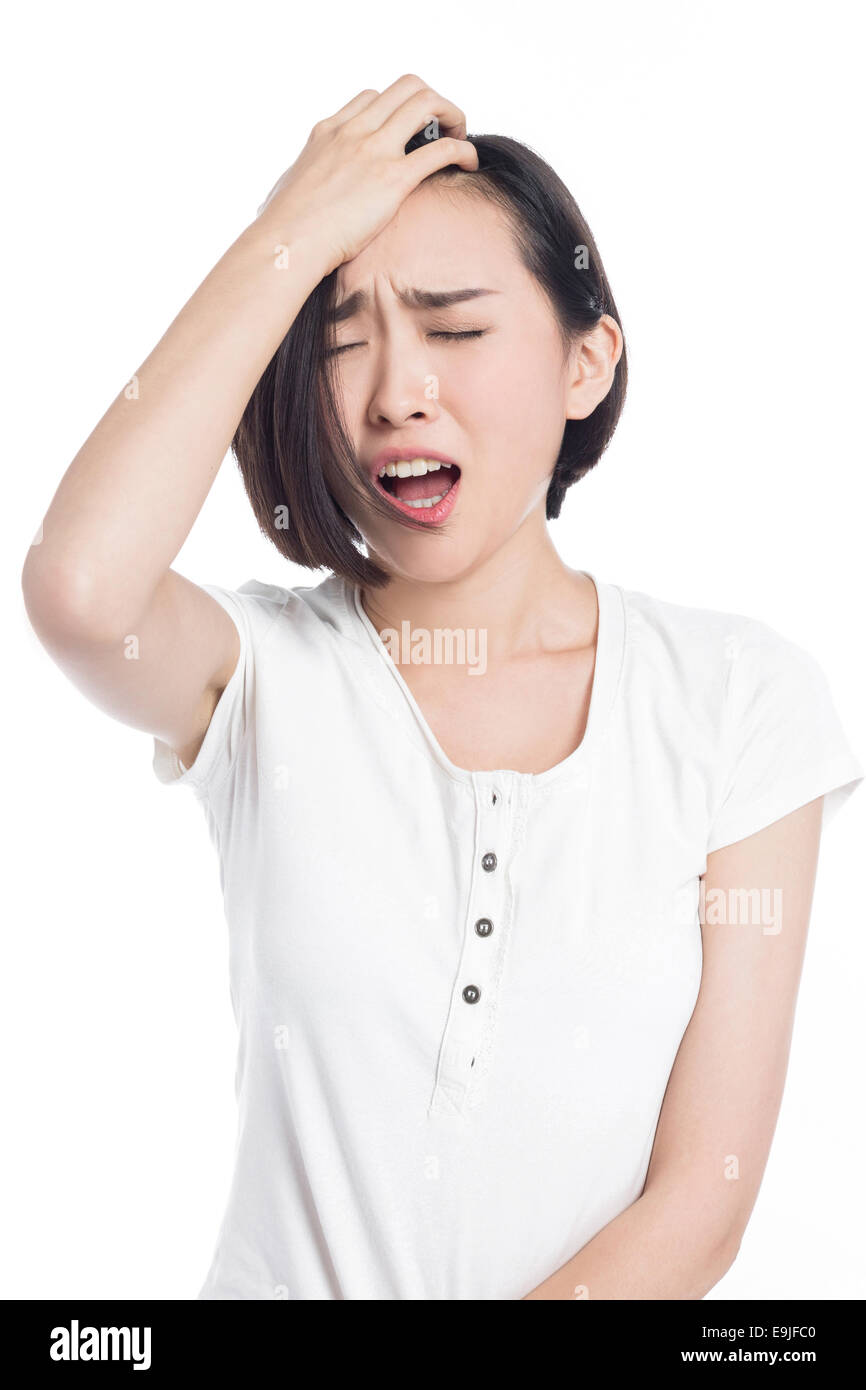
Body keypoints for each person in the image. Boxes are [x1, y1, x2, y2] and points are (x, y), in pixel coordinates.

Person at [21, 74, 863, 1301]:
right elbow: (81, 588)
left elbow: (700, 1205)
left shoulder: (737, 701)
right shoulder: (259, 677)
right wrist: (286, 232)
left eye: (454, 331)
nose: (392, 393)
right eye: (338, 342)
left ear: (585, 364)